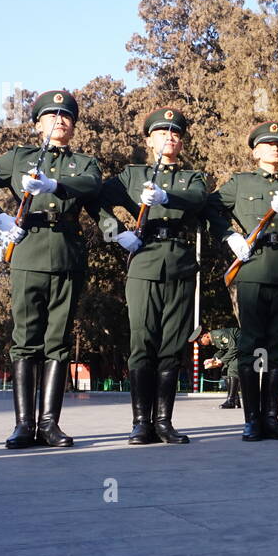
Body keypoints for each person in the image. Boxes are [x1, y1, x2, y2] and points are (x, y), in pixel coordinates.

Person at [0, 89, 101, 449]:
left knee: (57, 341)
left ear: (73, 127)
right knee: (26, 340)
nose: (60, 121)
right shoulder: (18, 157)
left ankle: (49, 424)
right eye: (52, 116)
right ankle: (24, 424)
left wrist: (55, 184)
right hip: (28, 250)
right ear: (38, 124)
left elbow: (93, 185)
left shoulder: (83, 162)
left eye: (67, 117)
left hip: (68, 252)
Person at [96, 107, 208, 445]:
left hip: (180, 263)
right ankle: (140, 422)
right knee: (142, 342)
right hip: (144, 260)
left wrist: (165, 196)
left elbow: (200, 199)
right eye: (162, 133)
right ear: (149, 140)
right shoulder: (132, 176)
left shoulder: (192, 178)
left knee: (172, 346)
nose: (169, 138)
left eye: (175, 133)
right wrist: (116, 232)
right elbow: (95, 201)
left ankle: (164, 422)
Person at [206, 120, 278, 441]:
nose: (275, 148)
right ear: (255, 152)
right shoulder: (241, 183)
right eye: (268, 144)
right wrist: (230, 236)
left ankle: (272, 418)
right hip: (253, 267)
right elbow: (211, 208)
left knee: (277, 346)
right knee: (252, 343)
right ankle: (252, 419)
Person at [199, 326, 241, 409]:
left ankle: (231, 400)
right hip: (236, 350)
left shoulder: (219, 335)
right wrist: (213, 359)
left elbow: (233, 347)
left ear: (205, 335)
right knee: (225, 371)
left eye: (200, 341)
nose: (201, 344)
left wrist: (221, 361)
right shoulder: (215, 339)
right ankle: (235, 401)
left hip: (243, 347)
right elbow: (223, 350)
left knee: (232, 369)